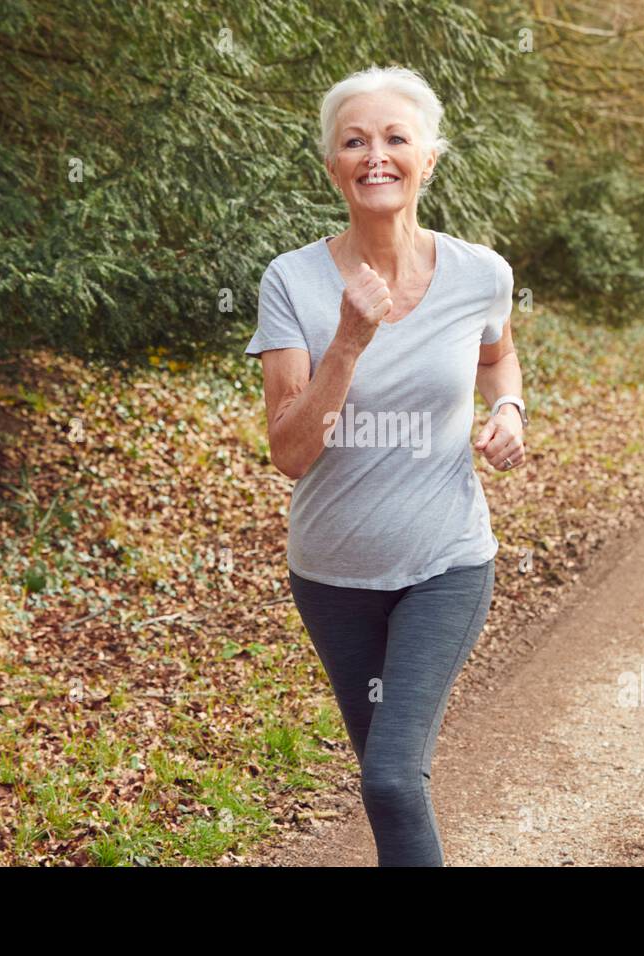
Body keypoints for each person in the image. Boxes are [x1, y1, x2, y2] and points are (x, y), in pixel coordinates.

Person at [244, 65, 527, 866]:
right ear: (332, 164)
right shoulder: (292, 280)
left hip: (445, 561)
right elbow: (290, 452)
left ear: (428, 159)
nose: (377, 155)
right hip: (332, 576)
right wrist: (348, 340)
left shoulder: (481, 273)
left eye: (396, 138)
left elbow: (498, 359)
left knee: (394, 779)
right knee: (384, 779)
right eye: (355, 141)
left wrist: (509, 409)